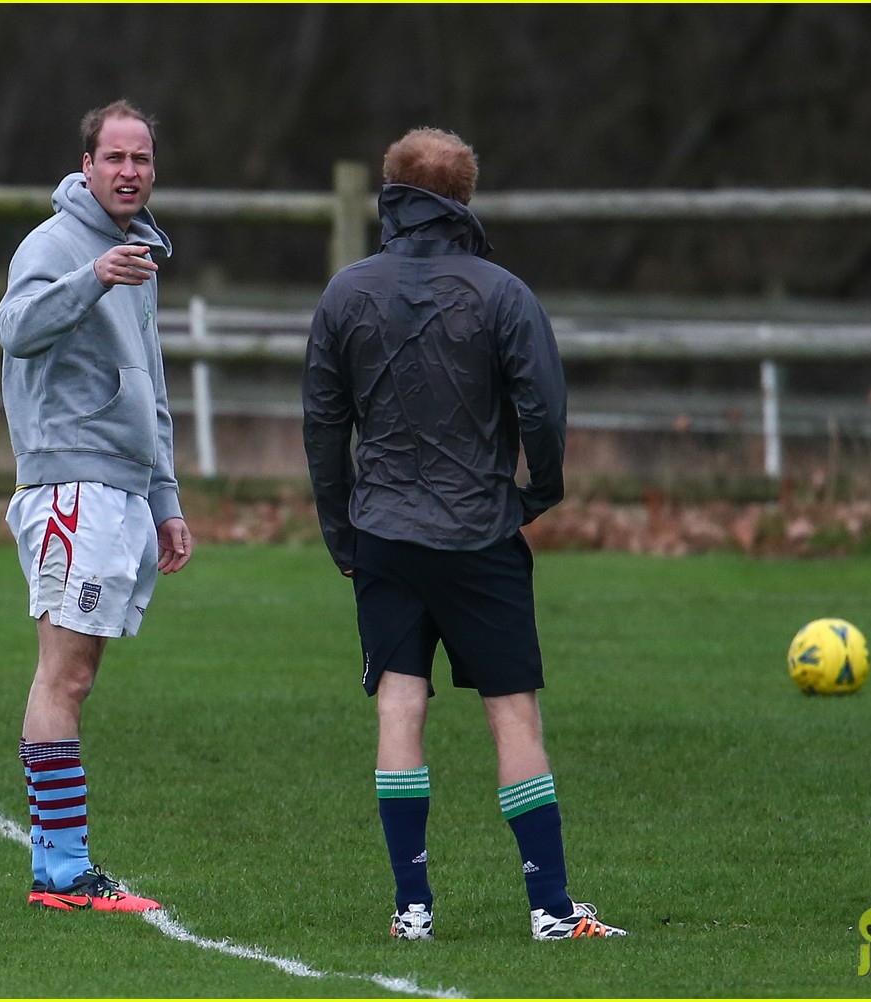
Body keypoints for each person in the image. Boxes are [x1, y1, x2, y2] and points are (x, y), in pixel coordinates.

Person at [302, 127, 626, 941]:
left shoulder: (345, 293)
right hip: (480, 530)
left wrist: (343, 531)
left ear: (391, 193)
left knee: (399, 708)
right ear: (465, 199)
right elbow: (544, 410)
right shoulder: (502, 292)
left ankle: (412, 910)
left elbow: (321, 424)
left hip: (382, 531)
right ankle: (552, 910)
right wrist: (536, 494)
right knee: (513, 716)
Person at [0, 99, 192, 912]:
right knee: (63, 678)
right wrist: (91, 277)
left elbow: (150, 382)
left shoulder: (136, 250)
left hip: (120, 489)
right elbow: (14, 328)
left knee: (76, 677)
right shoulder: (57, 245)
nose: (129, 171)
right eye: (114, 158)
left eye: (141, 158)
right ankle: (66, 875)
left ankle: (60, 872)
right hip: (70, 485)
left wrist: (165, 496)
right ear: (87, 165)